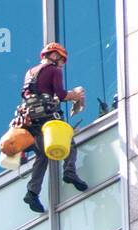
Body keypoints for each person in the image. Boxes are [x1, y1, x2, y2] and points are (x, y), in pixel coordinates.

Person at [16, 42, 88, 213]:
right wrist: (76, 96)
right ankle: (69, 172)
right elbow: (61, 95)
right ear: (55, 56)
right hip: (47, 117)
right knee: (69, 142)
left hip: (30, 120)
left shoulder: (30, 72)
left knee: (42, 155)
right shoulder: (54, 70)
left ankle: (32, 192)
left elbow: (28, 94)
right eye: (62, 60)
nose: (62, 64)